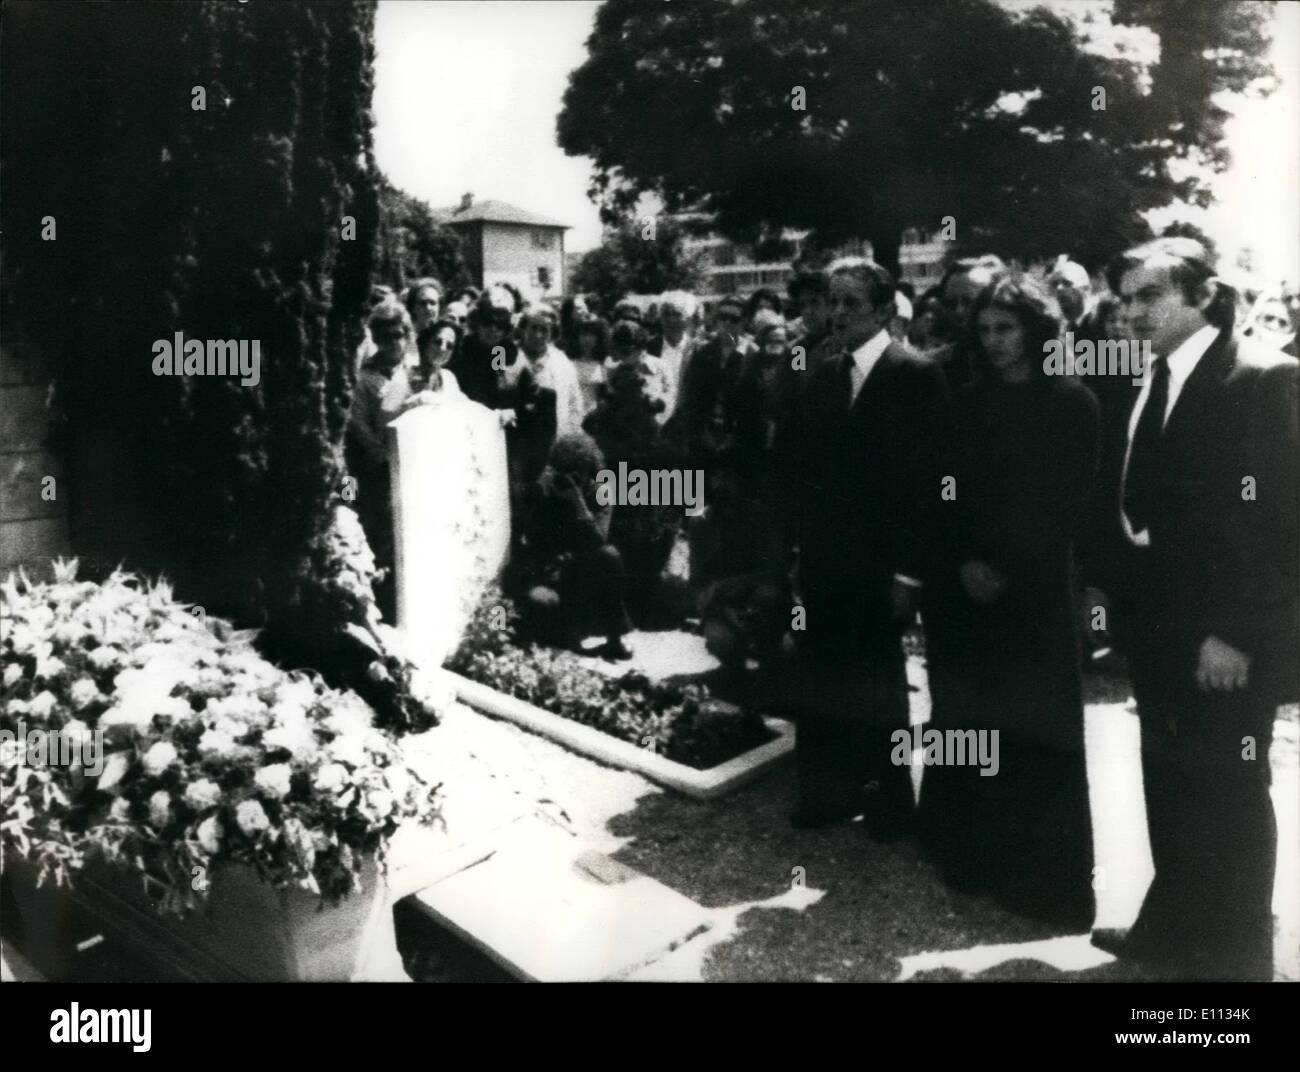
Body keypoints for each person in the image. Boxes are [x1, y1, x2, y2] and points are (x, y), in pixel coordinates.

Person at [1089, 237, 1298, 980]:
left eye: (1150, 295)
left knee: (1231, 785)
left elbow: (1280, 523)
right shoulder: (1149, 378)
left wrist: (1235, 635)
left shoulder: (1263, 379)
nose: (1131, 310)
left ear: (1203, 297)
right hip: (1159, 624)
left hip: (1222, 634)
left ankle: (1239, 957)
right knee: (1170, 775)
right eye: (1125, 297)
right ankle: (1175, 925)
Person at [918, 274, 1099, 930]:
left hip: (1035, 596)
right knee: (970, 721)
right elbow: (941, 492)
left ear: (1036, 329)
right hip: (967, 595)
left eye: (1007, 328)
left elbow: (1068, 505)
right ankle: (972, 859)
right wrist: (963, 560)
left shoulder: (1071, 403)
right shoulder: (959, 404)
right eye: (985, 330)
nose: (994, 341)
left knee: (1037, 732)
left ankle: (1044, 883)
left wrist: (1005, 569)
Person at [785, 261, 949, 832]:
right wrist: (798, 555)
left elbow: (927, 485)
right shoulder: (820, 376)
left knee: (879, 681)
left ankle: (886, 802)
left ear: (884, 310)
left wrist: (910, 574)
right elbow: (803, 475)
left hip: (883, 565)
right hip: (827, 561)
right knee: (822, 674)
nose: (838, 313)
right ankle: (827, 793)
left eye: (852, 303)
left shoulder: (916, 375)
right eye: (833, 301)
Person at [511, 434, 633, 662]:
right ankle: (551, 633)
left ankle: (615, 639)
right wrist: (543, 498)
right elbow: (533, 539)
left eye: (580, 473)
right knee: (538, 601)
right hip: (554, 576)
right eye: (568, 472)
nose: (575, 480)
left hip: (585, 577)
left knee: (610, 555)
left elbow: (599, 540)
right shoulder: (547, 491)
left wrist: (578, 503)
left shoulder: (601, 492)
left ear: (591, 470)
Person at [345, 300, 413, 619]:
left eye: (399, 334)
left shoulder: (416, 371)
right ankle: (386, 607)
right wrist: (383, 458)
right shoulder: (366, 377)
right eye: (385, 336)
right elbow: (357, 424)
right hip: (380, 471)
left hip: (417, 470)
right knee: (384, 539)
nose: (393, 342)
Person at [928, 255, 1007, 389]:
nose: (959, 311)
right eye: (951, 303)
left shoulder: (1028, 362)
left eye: (969, 301)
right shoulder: (933, 368)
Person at [519, 308, 585, 439]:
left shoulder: (562, 360)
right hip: (515, 441)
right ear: (523, 328)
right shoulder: (502, 353)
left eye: (544, 330)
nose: (538, 335)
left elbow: (575, 403)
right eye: (533, 328)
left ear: (552, 333)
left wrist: (571, 437)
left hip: (554, 441)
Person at [380, 318, 463, 420]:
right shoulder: (403, 377)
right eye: (438, 342)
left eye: (449, 346)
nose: (443, 348)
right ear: (426, 341)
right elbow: (385, 418)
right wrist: (411, 405)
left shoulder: (449, 378)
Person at [646, 291, 697, 421]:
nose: (671, 320)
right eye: (666, 314)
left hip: (689, 421)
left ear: (688, 317)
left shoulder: (698, 349)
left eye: (677, 314)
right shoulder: (648, 348)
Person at [1047, 257, 1099, 335]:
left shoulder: (1096, 322)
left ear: (1084, 289)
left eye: (1066, 283)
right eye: (1055, 284)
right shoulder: (1051, 324)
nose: (1059, 288)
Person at [572, 316, 610, 413]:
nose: (587, 339)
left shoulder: (604, 363)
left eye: (592, 335)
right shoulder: (568, 362)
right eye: (584, 335)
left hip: (594, 417)